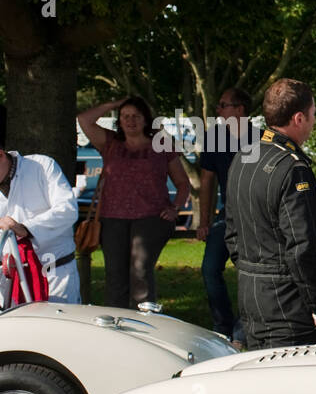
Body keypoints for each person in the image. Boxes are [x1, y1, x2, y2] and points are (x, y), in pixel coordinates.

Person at [224, 78, 316, 349]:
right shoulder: (293, 167)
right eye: (313, 114)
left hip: (251, 295)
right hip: (288, 305)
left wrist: (254, 273)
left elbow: (232, 232)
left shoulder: (245, 155)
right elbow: (303, 246)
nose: (314, 121)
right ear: (298, 118)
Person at [77, 96, 191, 309]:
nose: (130, 121)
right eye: (124, 116)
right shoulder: (109, 142)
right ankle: (117, 326)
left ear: (146, 119)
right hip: (113, 219)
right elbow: (84, 119)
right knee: (115, 275)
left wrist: (175, 207)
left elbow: (183, 183)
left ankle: (143, 325)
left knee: (140, 272)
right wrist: (112, 104)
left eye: (135, 116)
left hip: (152, 218)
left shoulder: (162, 143)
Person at [0, 105, 80, 303]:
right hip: (8, 281)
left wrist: (26, 228)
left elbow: (68, 210)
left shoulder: (42, 167)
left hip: (56, 275)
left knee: (59, 332)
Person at [196, 87, 254, 345]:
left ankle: (241, 333)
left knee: (249, 274)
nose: (217, 110)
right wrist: (204, 220)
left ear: (240, 109)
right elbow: (206, 179)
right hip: (225, 216)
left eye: (223, 105)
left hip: (255, 218)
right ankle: (222, 327)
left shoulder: (261, 137)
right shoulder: (215, 137)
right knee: (209, 269)